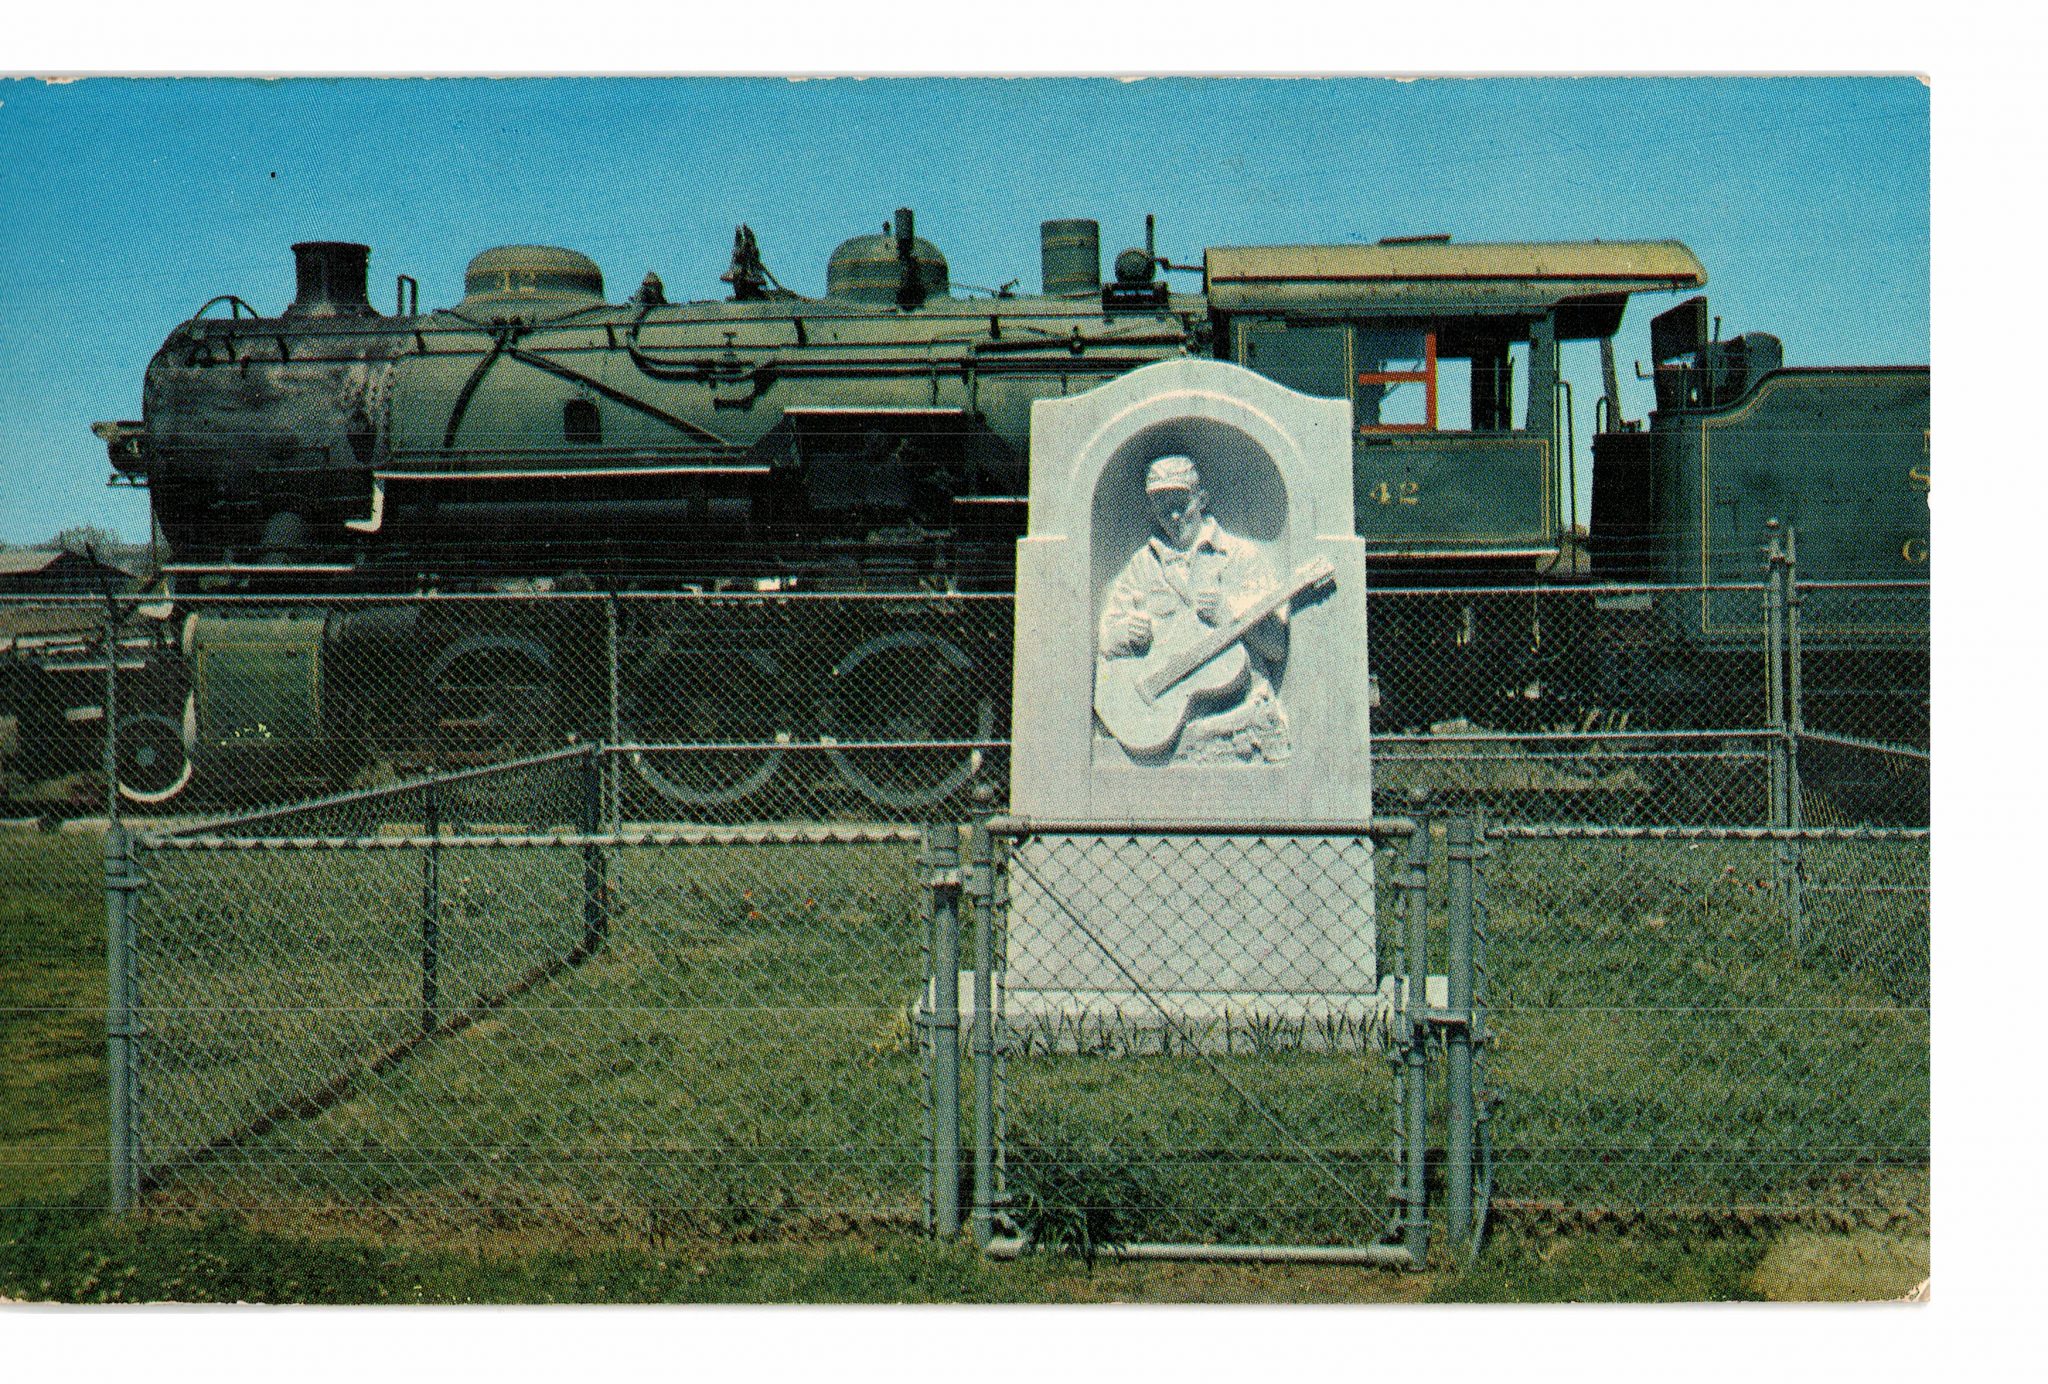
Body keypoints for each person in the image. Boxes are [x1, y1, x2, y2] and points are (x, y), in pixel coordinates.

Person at [1096, 454, 1292, 763]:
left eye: (1181, 504)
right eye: (1163, 508)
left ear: (1201, 500)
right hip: (1162, 718)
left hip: (1237, 723)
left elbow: (1277, 647)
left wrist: (1230, 615)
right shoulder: (1143, 565)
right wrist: (1125, 634)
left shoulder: (1241, 557)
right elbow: (1106, 639)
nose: (1173, 517)